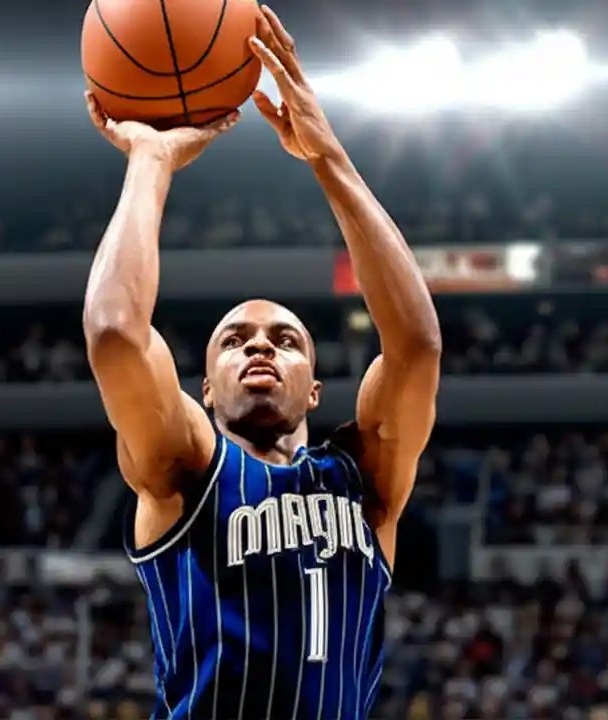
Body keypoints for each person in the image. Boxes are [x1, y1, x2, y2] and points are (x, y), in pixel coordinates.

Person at [81, 6, 440, 719]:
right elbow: (115, 334)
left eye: (287, 339)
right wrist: (150, 161)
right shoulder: (185, 466)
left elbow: (417, 346)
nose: (260, 345)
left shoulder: (366, 480)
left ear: (315, 390)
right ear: (205, 391)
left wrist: (328, 157)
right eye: (233, 339)